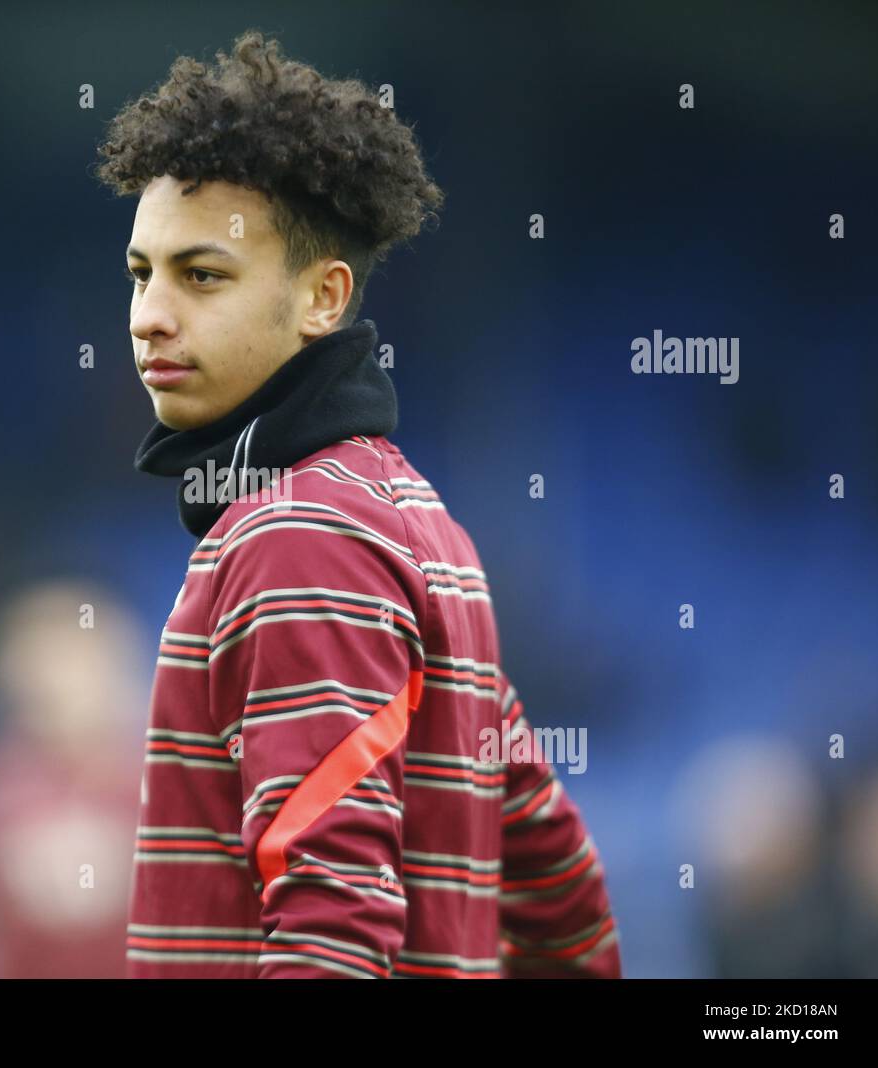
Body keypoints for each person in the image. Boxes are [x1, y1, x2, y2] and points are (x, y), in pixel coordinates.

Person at [95, 29, 622, 978]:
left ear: (323, 299)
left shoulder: (298, 537)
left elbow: (332, 929)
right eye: (142, 273)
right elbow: (559, 893)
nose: (147, 316)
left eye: (201, 275)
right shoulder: (416, 520)